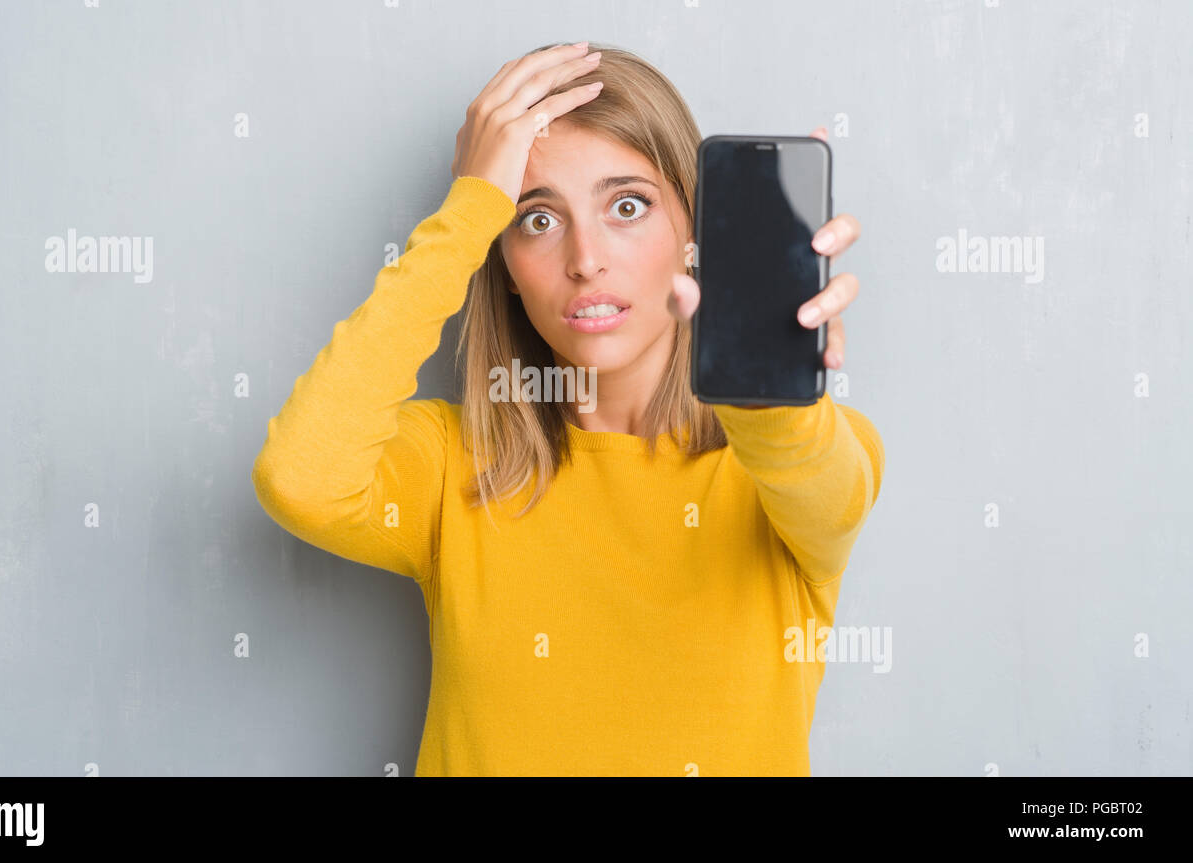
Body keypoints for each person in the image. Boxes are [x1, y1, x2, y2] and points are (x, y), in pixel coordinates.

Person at [251, 40, 885, 776]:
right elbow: (301, 479)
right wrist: (467, 215)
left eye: (627, 206)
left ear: (693, 235)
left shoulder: (794, 462)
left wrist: (767, 382)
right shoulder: (453, 463)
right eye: (537, 219)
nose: (585, 259)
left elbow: (820, 483)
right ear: (505, 265)